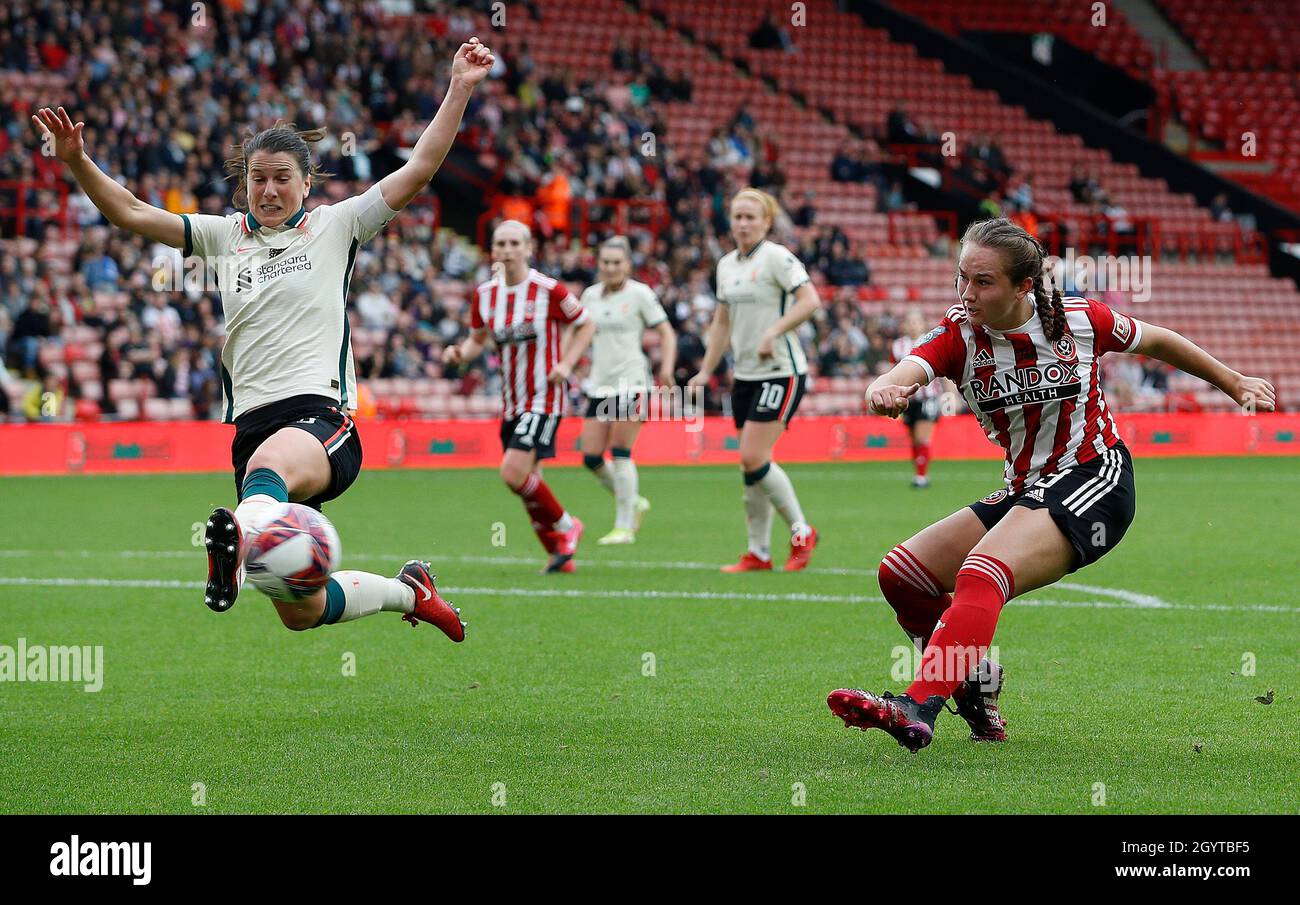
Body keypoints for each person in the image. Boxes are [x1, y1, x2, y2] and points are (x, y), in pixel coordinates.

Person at [31, 38, 498, 642]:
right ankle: (411, 591)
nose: (269, 190)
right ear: (244, 184)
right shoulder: (224, 238)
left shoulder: (338, 225)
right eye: (258, 179)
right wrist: (76, 160)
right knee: (300, 610)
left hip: (321, 421)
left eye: (282, 179)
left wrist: (458, 86)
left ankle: (238, 535)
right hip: (251, 426)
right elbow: (129, 212)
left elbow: (420, 168)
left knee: (268, 467)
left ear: (307, 183)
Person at [827, 217, 1276, 752]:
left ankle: (917, 704)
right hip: (1027, 488)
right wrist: (885, 390)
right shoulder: (959, 335)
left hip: (1096, 476)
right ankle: (972, 684)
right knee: (902, 575)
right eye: (962, 278)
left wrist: (1234, 382)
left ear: (1023, 286)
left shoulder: (1076, 320)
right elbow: (907, 369)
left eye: (984, 282)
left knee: (981, 572)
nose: (967, 294)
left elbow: (1158, 341)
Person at [442, 220, 597, 573]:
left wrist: (568, 363)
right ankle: (559, 555)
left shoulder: (548, 290)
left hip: (544, 399)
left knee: (513, 474)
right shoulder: (485, 295)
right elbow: (477, 340)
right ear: (494, 251)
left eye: (515, 243)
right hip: (512, 402)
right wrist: (457, 354)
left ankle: (566, 526)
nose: (508, 250)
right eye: (501, 244)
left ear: (528, 249)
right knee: (530, 483)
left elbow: (586, 322)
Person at [689, 188, 822, 572]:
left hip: (781, 372)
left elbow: (810, 300)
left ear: (767, 221)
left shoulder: (778, 258)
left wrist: (773, 332)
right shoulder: (726, 265)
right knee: (751, 466)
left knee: (752, 456)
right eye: (737, 217)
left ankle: (802, 530)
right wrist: (705, 370)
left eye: (751, 217)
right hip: (745, 376)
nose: (743, 223)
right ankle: (758, 553)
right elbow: (722, 322)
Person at [578, 236, 676, 545]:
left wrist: (667, 368)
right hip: (600, 384)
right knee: (591, 456)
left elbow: (666, 332)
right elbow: (578, 333)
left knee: (620, 451)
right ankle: (633, 501)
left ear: (628, 265)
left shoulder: (640, 295)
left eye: (616, 262)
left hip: (632, 382)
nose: (610, 267)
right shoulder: (590, 296)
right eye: (605, 262)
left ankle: (624, 527)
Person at [891, 310, 950, 488]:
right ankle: (919, 471)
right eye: (909, 321)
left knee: (923, 437)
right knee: (913, 439)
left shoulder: (932, 340)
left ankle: (921, 476)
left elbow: (944, 370)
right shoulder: (897, 345)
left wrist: (949, 395)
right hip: (907, 399)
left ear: (923, 324)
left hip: (928, 397)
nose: (912, 325)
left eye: (916, 321)